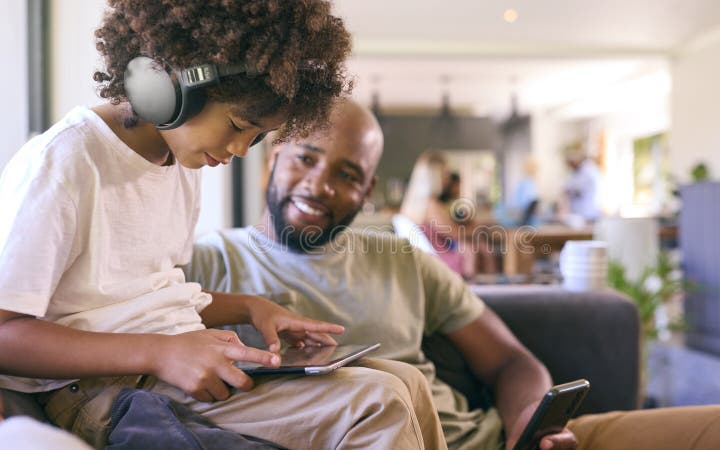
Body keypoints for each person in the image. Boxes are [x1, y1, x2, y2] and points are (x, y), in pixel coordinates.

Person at [185, 99, 720, 450]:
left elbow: (510, 362)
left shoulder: (400, 259)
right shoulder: (208, 262)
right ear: (274, 156)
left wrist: (530, 424)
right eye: (306, 158)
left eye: (346, 173)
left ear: (369, 188)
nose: (320, 184)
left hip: (496, 441)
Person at [0, 2, 442, 449]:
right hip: (100, 391)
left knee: (408, 382)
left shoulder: (181, 163)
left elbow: (136, 297)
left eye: (256, 138)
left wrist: (250, 307)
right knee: (377, 403)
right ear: (172, 84)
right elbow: (5, 333)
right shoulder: (66, 161)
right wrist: (161, 352)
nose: (242, 150)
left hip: (162, 366)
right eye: (237, 126)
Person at [400, 152, 497, 277]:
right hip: (439, 260)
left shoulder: (414, 203)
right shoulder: (430, 204)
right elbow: (455, 233)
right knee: (474, 248)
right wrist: (481, 226)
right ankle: (488, 289)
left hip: (428, 257)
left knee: (475, 246)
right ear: (433, 176)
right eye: (444, 173)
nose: (448, 178)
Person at [562, 148, 602, 224]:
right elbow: (566, 188)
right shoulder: (574, 173)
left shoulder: (590, 172)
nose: (570, 166)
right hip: (577, 214)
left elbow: (579, 190)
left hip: (589, 212)